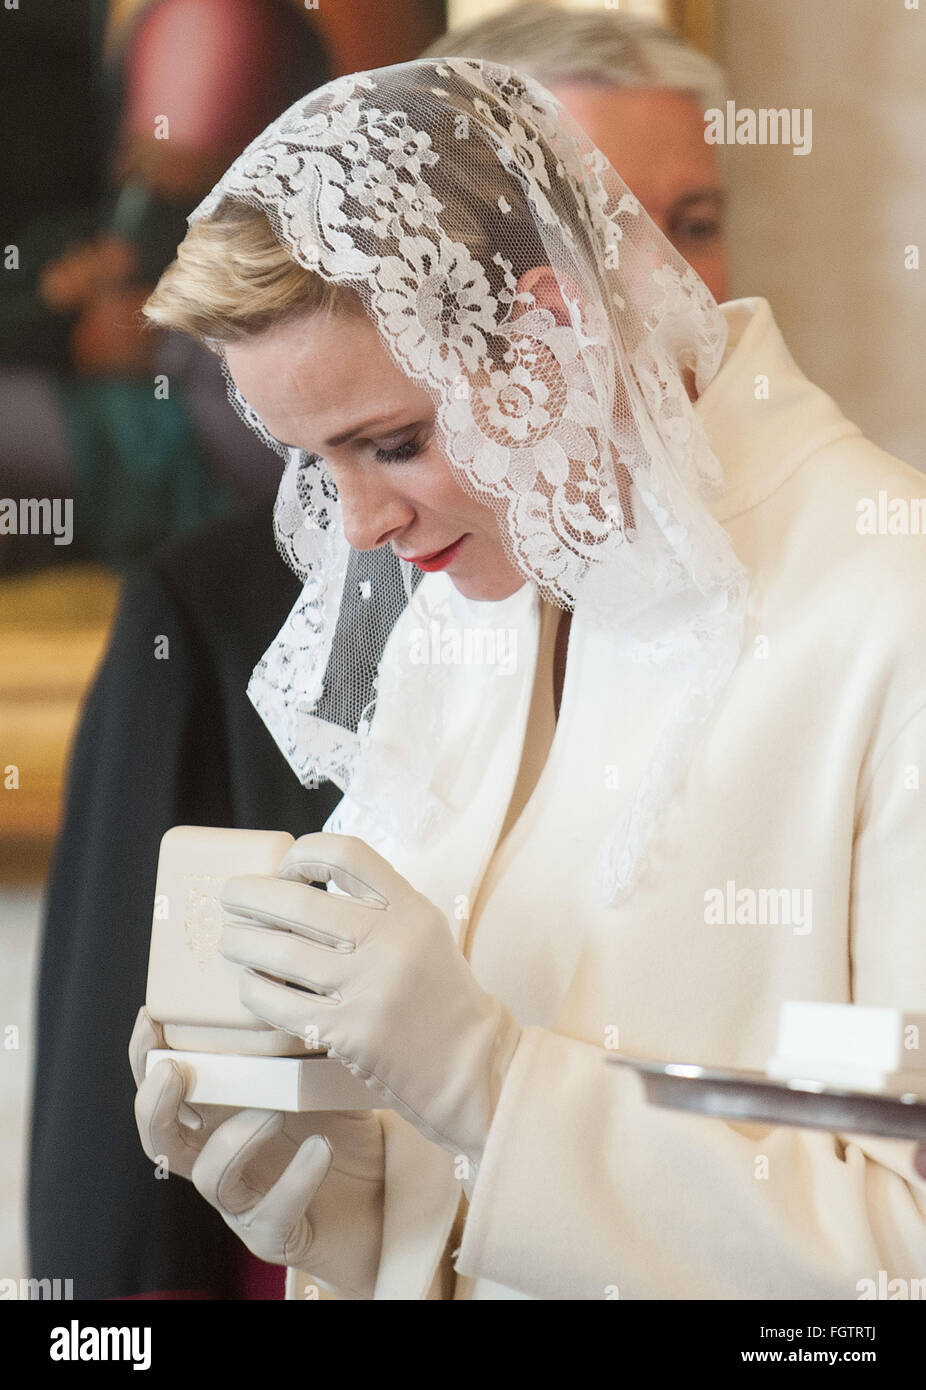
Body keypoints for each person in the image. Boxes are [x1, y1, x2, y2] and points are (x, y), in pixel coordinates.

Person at [129, 57, 926, 1300]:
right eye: (312, 460)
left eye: (391, 442)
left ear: (548, 336)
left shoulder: (894, 601)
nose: (359, 529)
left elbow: (902, 1255)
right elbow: (458, 1199)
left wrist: (493, 1088)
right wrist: (333, 1180)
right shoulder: (476, 591)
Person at [28, 5, 746, 1300]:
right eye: (596, 214)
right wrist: (326, 1204)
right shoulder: (397, 602)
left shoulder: (836, 603)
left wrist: (480, 1091)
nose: (645, 282)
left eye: (680, 223)